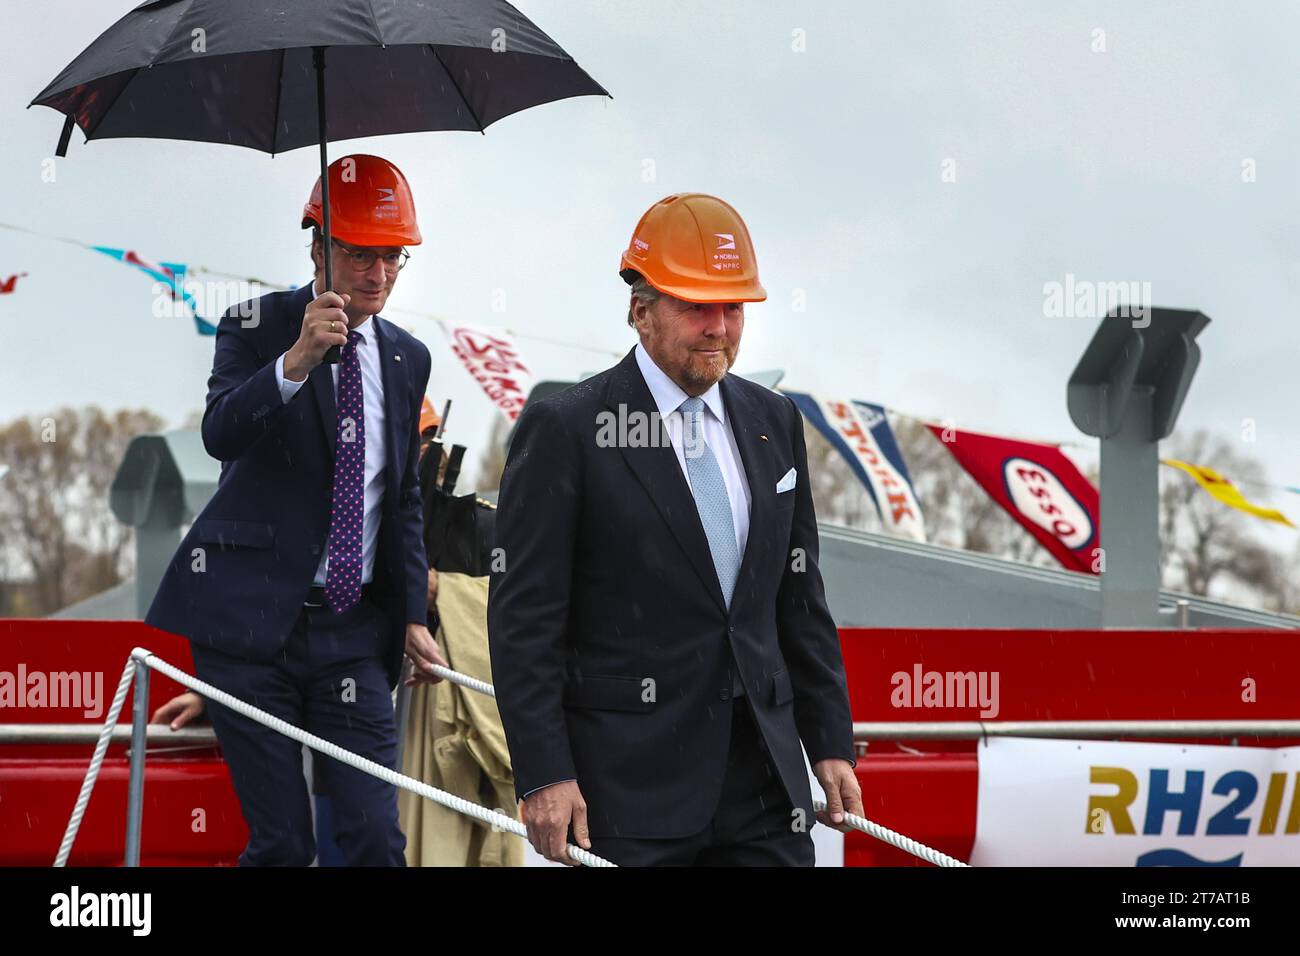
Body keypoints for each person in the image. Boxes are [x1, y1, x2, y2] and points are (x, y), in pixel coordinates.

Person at [488, 193, 863, 866]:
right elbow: (525, 621)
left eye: (733, 307)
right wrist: (544, 772)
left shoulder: (776, 423)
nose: (718, 326)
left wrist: (830, 739)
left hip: (766, 788)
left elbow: (799, 601)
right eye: (696, 305)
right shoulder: (564, 430)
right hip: (627, 795)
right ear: (640, 310)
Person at [146, 153, 447, 866]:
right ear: (316, 247)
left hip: (354, 633)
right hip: (249, 631)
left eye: (392, 259)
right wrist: (296, 361)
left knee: (376, 838)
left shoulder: (410, 359)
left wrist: (410, 616)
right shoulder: (253, 323)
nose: (377, 274)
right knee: (283, 847)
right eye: (358, 254)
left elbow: (401, 497)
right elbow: (221, 433)